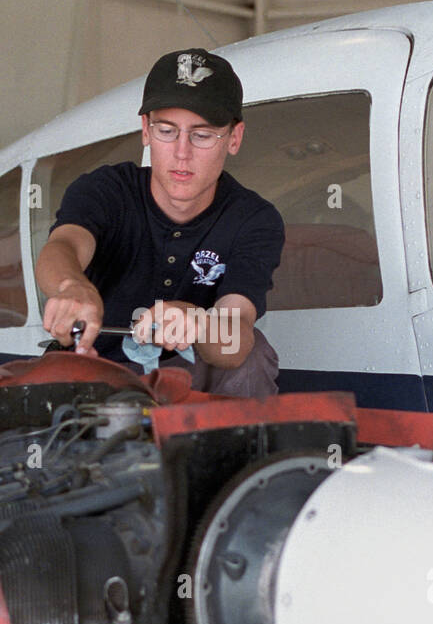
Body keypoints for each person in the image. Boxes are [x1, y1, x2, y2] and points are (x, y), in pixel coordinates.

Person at [35, 48, 284, 398]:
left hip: (187, 381)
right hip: (95, 373)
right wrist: (71, 287)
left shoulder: (254, 220)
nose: (182, 152)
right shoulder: (105, 190)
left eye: (202, 135)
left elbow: (237, 335)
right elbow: (64, 246)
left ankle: (232, 450)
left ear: (234, 137)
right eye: (167, 131)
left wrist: (199, 322)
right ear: (145, 131)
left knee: (254, 355)